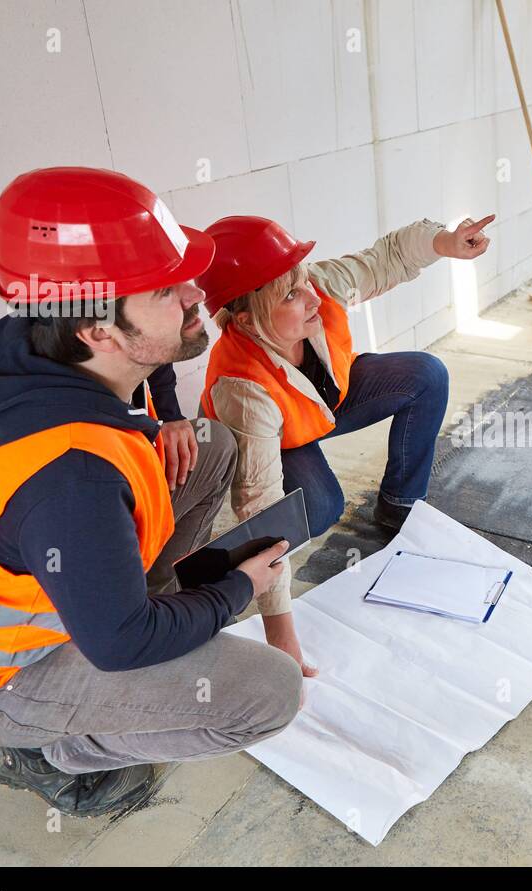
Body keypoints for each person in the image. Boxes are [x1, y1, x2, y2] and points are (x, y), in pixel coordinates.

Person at [0, 167, 299, 818]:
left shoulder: (44, 351)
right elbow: (120, 643)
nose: (195, 294)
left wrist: (165, 419)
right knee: (270, 692)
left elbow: (144, 400)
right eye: (168, 290)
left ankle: (131, 612)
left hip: (54, 579)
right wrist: (235, 591)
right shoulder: (70, 481)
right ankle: (43, 751)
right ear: (100, 332)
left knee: (211, 442)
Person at [196, 213, 493, 675]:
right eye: (291, 294)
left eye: (302, 280)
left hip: (328, 400)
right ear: (246, 320)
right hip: (279, 438)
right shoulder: (242, 388)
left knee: (426, 373)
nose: (312, 295)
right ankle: (226, 578)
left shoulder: (320, 287)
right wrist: (281, 636)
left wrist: (444, 241)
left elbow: (386, 257)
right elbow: (260, 505)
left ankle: (399, 505)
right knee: (318, 508)